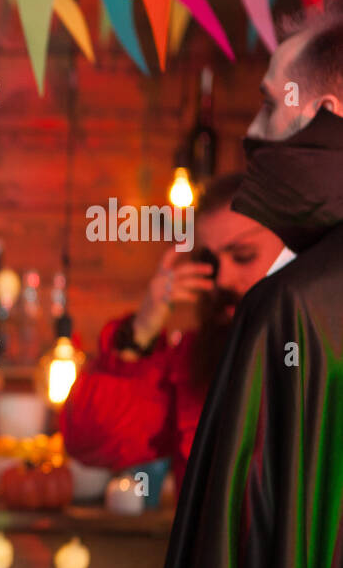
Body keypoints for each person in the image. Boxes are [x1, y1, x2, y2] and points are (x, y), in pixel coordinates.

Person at [142, 0, 343, 568]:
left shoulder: (294, 301)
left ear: (329, 109)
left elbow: (239, 526)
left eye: (270, 103)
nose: (253, 130)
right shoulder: (270, 305)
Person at [59, 173, 285, 491]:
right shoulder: (195, 364)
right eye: (211, 262)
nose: (223, 280)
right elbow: (90, 438)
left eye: (244, 255)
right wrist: (141, 330)